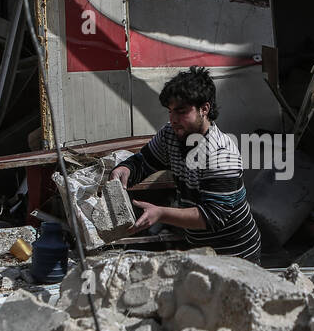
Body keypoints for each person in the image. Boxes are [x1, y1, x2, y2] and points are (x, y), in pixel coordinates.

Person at [110, 66, 263, 263]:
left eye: (181, 112)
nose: (173, 120)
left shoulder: (221, 153)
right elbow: (144, 162)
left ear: (204, 109)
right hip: (200, 250)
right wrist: (126, 169)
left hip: (237, 253)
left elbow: (211, 217)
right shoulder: (170, 135)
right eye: (170, 111)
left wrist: (161, 213)